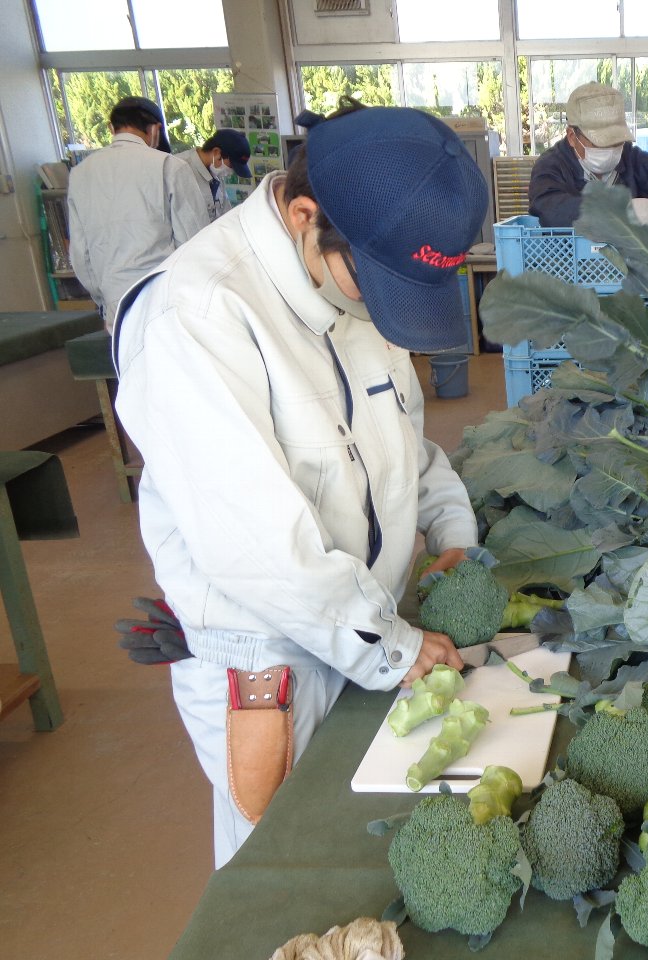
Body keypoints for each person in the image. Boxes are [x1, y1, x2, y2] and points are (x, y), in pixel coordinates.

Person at [111, 106, 489, 867]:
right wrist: (394, 646)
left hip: (371, 627)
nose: (376, 311)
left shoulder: (344, 273)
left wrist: (455, 537)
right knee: (285, 871)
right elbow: (257, 544)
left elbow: (402, 445)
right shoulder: (197, 314)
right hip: (273, 664)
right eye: (373, 285)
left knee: (375, 855)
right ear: (305, 216)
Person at [67, 96, 209, 332]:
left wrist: (103, 297)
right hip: (164, 297)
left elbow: (80, 252)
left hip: (115, 302)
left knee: (130, 367)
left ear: (112, 128)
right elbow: (193, 242)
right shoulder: (169, 166)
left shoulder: (80, 173)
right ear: (155, 130)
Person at [528, 82, 648, 227]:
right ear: (572, 137)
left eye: (616, 141)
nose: (611, 150)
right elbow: (550, 209)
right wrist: (621, 211)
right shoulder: (551, 166)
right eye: (600, 142)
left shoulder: (631, 158)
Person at [174, 128, 252, 222]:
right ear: (216, 153)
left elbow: (225, 214)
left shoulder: (216, 175)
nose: (231, 172)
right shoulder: (178, 171)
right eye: (231, 166)